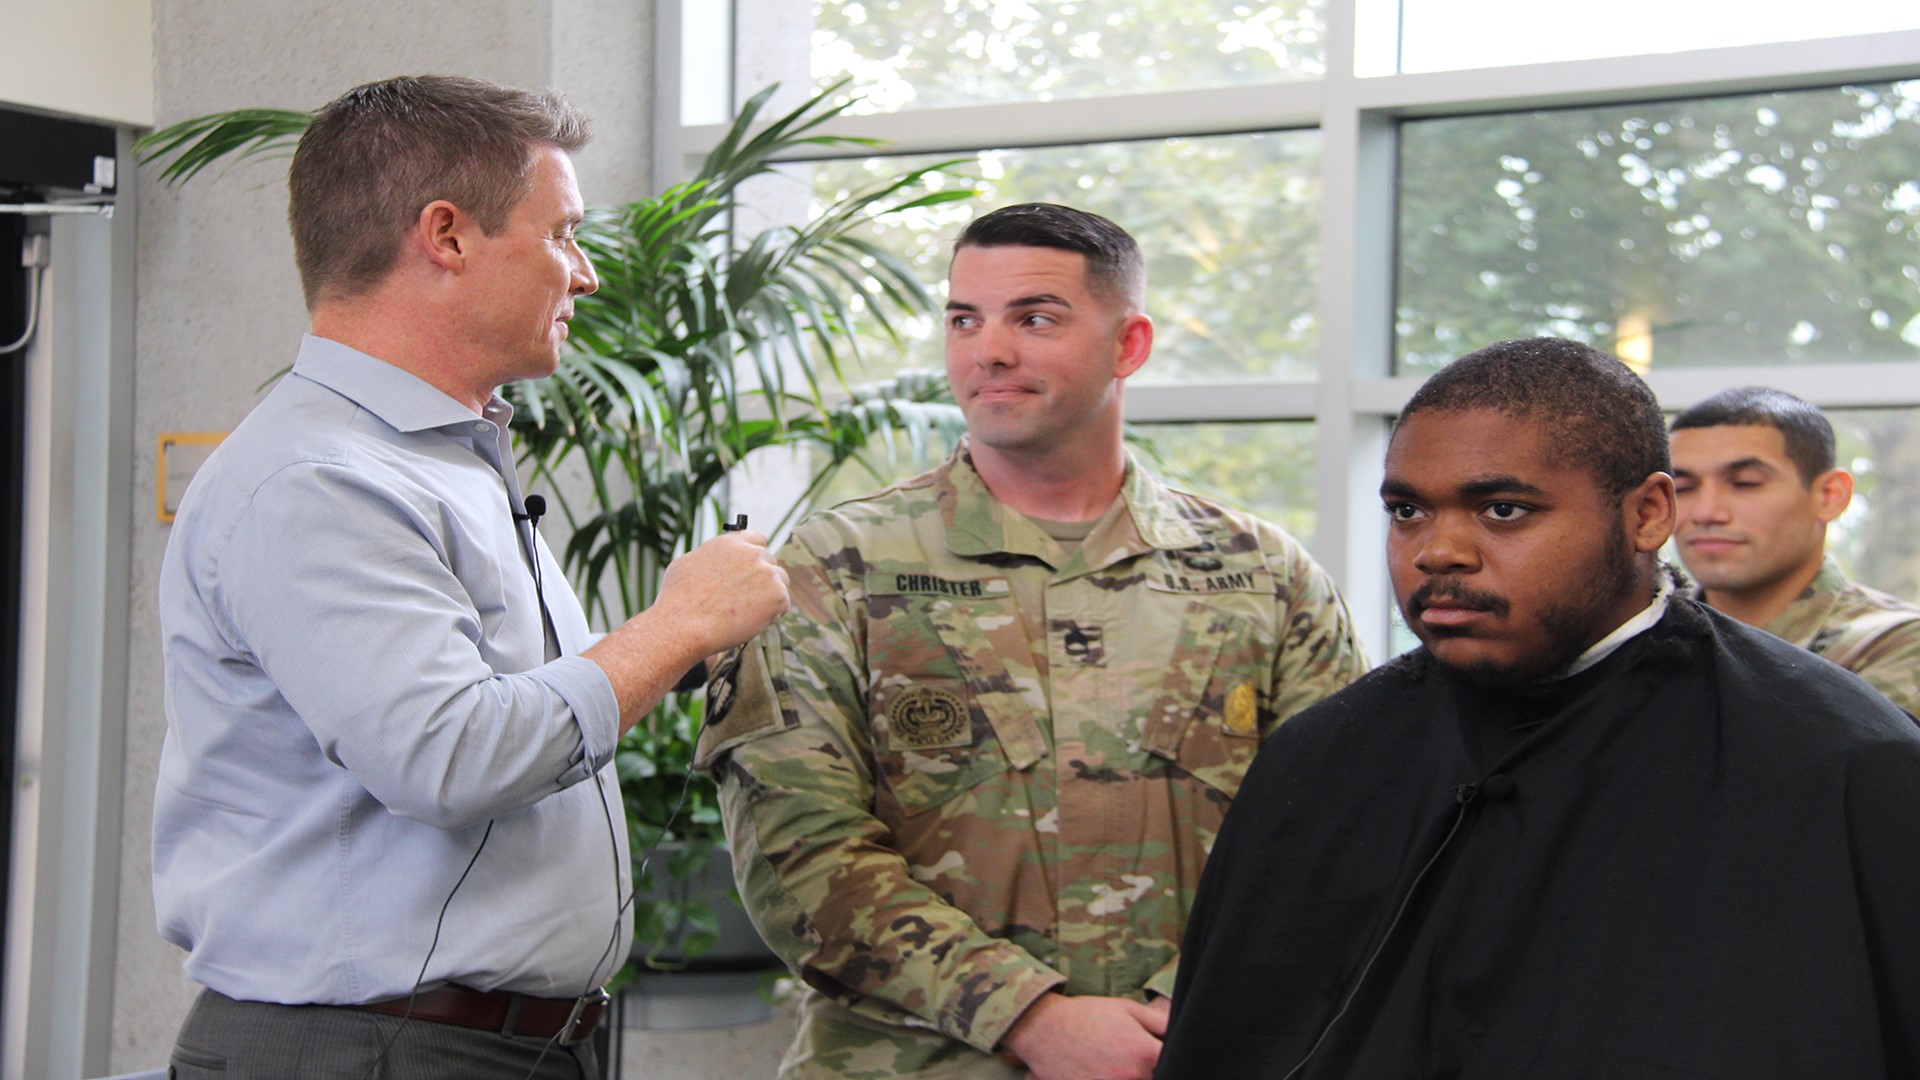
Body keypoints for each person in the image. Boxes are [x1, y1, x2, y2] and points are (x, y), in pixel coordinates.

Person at [152, 75, 790, 1080]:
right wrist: (681, 625)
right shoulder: (320, 480)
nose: (582, 274)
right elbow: (449, 757)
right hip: (374, 1052)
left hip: (467, 1047)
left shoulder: (435, 461)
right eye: (562, 234)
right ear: (446, 236)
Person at [693, 203, 1365, 1079]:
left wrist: (1178, 1011)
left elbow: (1340, 837)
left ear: (1128, 345)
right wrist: (1031, 1019)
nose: (988, 351)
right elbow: (798, 850)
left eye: (1034, 319)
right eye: (964, 320)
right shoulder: (838, 566)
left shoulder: (1263, 576)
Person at [1156, 338, 1920, 1079]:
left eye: (1503, 511)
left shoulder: (1834, 764)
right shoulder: (1320, 759)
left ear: (1649, 515)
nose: (1438, 551)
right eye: (1408, 511)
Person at [1670, 385, 1920, 716]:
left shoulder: (1891, 644)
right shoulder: (1647, 639)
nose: (1706, 512)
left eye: (1745, 483)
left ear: (1829, 495)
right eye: (1682, 488)